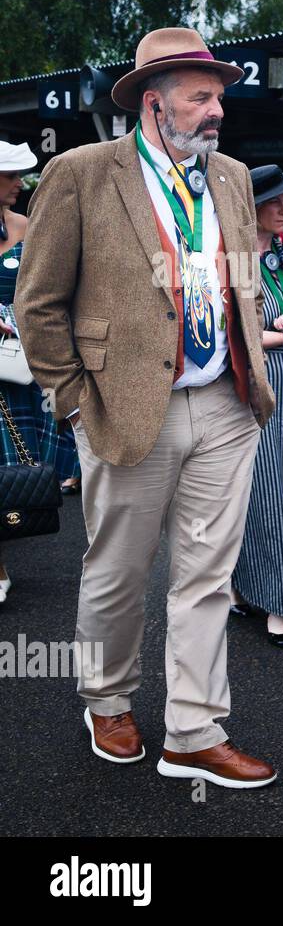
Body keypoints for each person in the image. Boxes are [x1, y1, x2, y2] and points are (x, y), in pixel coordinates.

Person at [15, 27, 277, 787]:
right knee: (117, 572)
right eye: (201, 97)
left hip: (225, 405)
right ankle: (107, 697)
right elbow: (39, 306)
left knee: (207, 577)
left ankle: (195, 730)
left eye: (219, 96)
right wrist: (73, 402)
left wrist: (251, 361)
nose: (216, 110)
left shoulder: (229, 176)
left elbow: (241, 283)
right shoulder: (82, 173)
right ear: (155, 104)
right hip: (125, 406)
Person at [229, 164, 283, 647]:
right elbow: (229, 334)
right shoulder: (234, 259)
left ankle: (248, 588)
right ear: (252, 208)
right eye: (276, 200)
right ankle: (277, 603)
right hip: (262, 386)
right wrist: (280, 332)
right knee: (267, 495)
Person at [0, 141, 81, 607]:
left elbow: (42, 287)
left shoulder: (26, 225)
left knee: (12, 462)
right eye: (11, 176)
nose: (20, 185)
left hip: (18, 358)